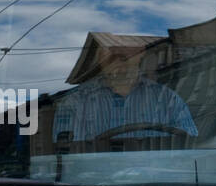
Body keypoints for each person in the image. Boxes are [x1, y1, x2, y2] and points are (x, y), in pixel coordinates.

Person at [54, 53, 198, 143]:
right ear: (100, 57)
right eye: (112, 51)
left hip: (160, 184)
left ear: (141, 53)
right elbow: (62, 155)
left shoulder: (167, 99)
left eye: (126, 53)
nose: (119, 60)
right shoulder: (74, 102)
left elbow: (191, 145)